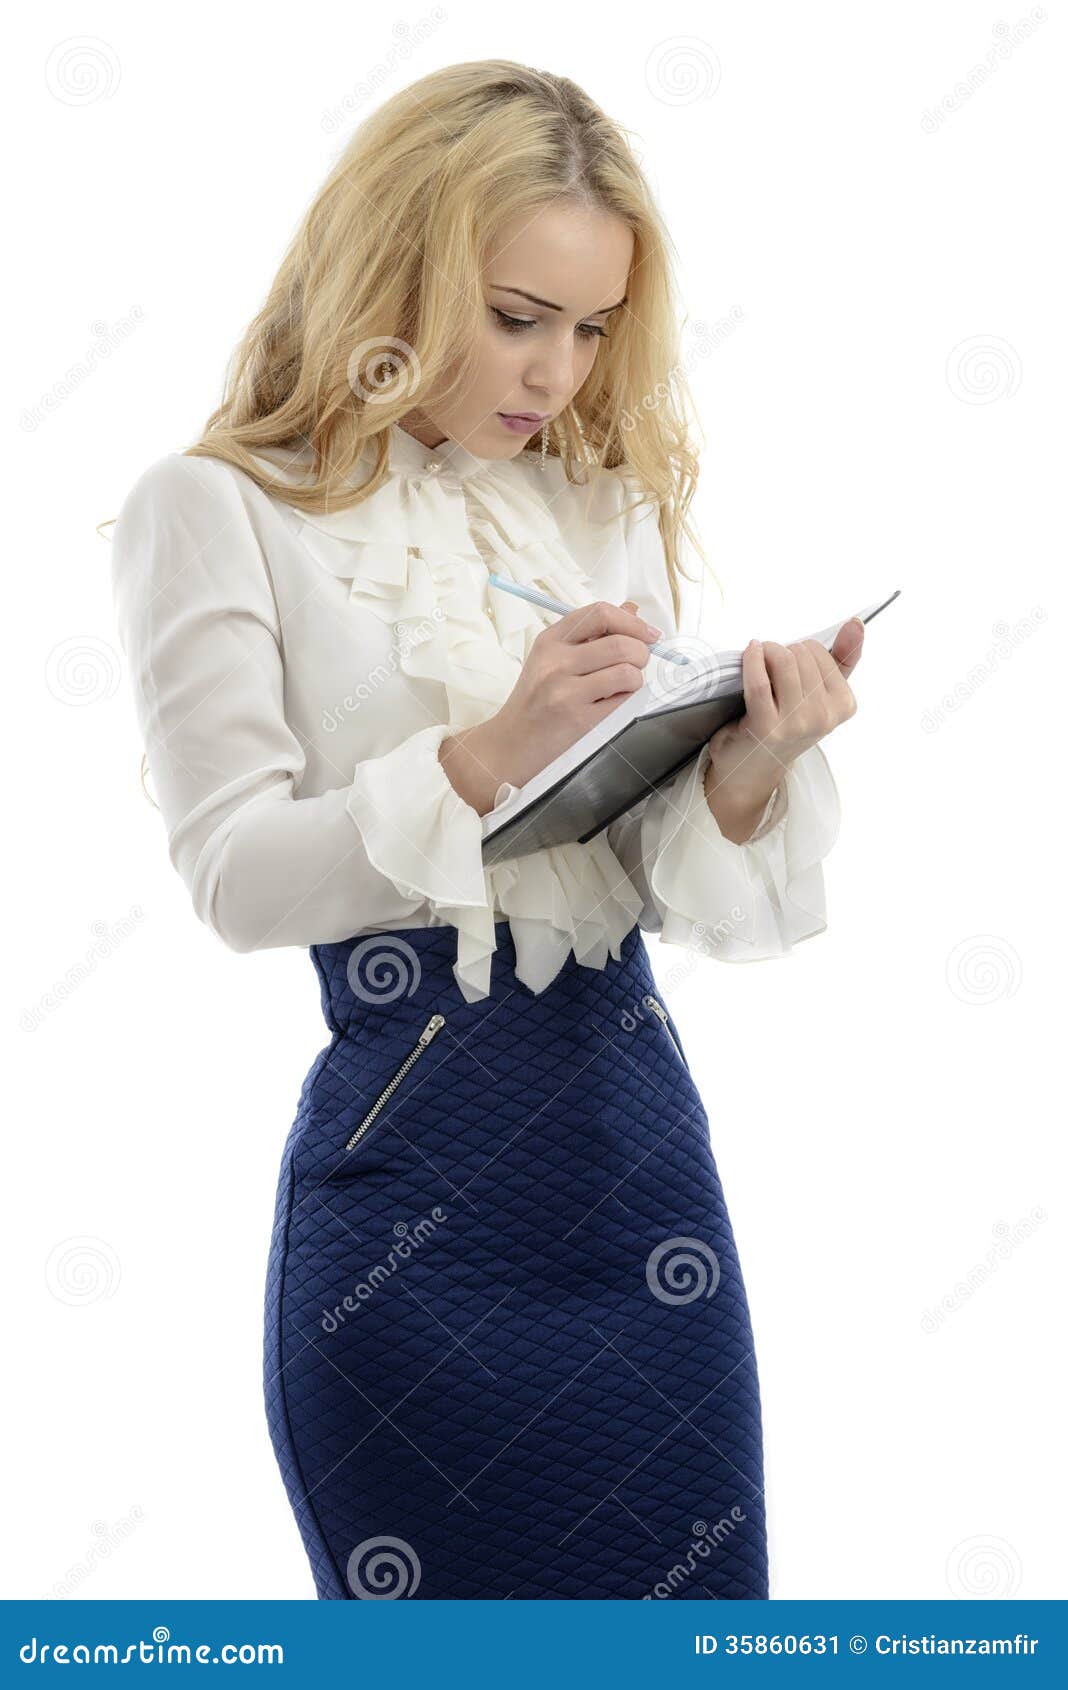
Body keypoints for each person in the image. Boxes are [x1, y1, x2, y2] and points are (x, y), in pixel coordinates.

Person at [109, 59, 863, 1601]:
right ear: (394, 271)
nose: (559, 373)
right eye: (519, 317)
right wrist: (482, 753)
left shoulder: (597, 504)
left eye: (593, 330)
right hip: (412, 1188)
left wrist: (750, 765)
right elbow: (237, 879)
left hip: (643, 1166)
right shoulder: (217, 506)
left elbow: (643, 871)